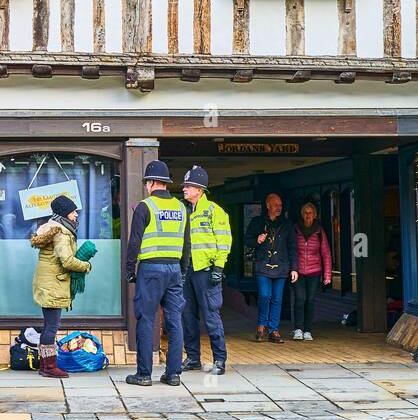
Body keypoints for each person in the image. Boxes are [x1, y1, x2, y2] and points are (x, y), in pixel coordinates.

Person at [124, 160, 190, 387]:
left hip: (150, 270)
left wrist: (129, 270)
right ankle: (173, 374)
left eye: (146, 183)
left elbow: (135, 242)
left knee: (146, 319)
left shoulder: (145, 206)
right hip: (173, 269)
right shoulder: (182, 208)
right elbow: (187, 244)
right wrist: (183, 271)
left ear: (151, 183)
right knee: (174, 320)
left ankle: (143, 374)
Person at [30, 194, 92, 378]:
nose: (76, 215)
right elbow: (67, 261)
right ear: (65, 213)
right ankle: (49, 367)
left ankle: (45, 365)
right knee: (52, 326)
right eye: (73, 212)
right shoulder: (61, 233)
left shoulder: (53, 228)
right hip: (53, 284)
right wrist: (86, 266)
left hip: (48, 283)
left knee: (49, 325)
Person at [179, 166, 232, 375]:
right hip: (187, 270)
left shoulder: (214, 211)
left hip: (207, 270)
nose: (184, 188)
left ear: (199, 190)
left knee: (211, 315)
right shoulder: (184, 210)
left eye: (188, 186)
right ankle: (193, 358)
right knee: (187, 316)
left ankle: (219, 359)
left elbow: (224, 241)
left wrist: (219, 267)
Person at [245, 193, 297, 342]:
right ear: (268, 206)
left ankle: (274, 330)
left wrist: (294, 268)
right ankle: (261, 326)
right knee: (265, 295)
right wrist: (257, 239)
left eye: (280, 205)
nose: (279, 208)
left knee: (277, 298)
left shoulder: (287, 224)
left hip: (281, 266)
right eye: (276, 205)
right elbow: (247, 240)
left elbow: (292, 247)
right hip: (263, 264)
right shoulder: (257, 222)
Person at [291, 201, 332, 340]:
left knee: (310, 300)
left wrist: (327, 274)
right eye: (305, 213)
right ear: (302, 215)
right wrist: (292, 268)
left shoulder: (319, 231)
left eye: (310, 213)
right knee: (300, 298)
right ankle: (298, 328)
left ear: (315, 215)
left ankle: (307, 330)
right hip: (299, 270)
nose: (308, 215)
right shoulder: (296, 229)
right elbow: (291, 249)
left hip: (314, 271)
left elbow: (325, 253)